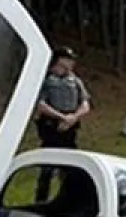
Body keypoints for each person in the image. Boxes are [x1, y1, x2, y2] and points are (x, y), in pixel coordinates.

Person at [34, 46, 91, 200]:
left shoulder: (75, 81)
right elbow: (41, 104)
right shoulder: (46, 80)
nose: (69, 64)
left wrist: (73, 117)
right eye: (65, 61)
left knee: (70, 167)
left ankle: (67, 197)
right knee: (47, 167)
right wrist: (61, 117)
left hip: (70, 129)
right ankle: (41, 198)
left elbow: (85, 104)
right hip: (51, 128)